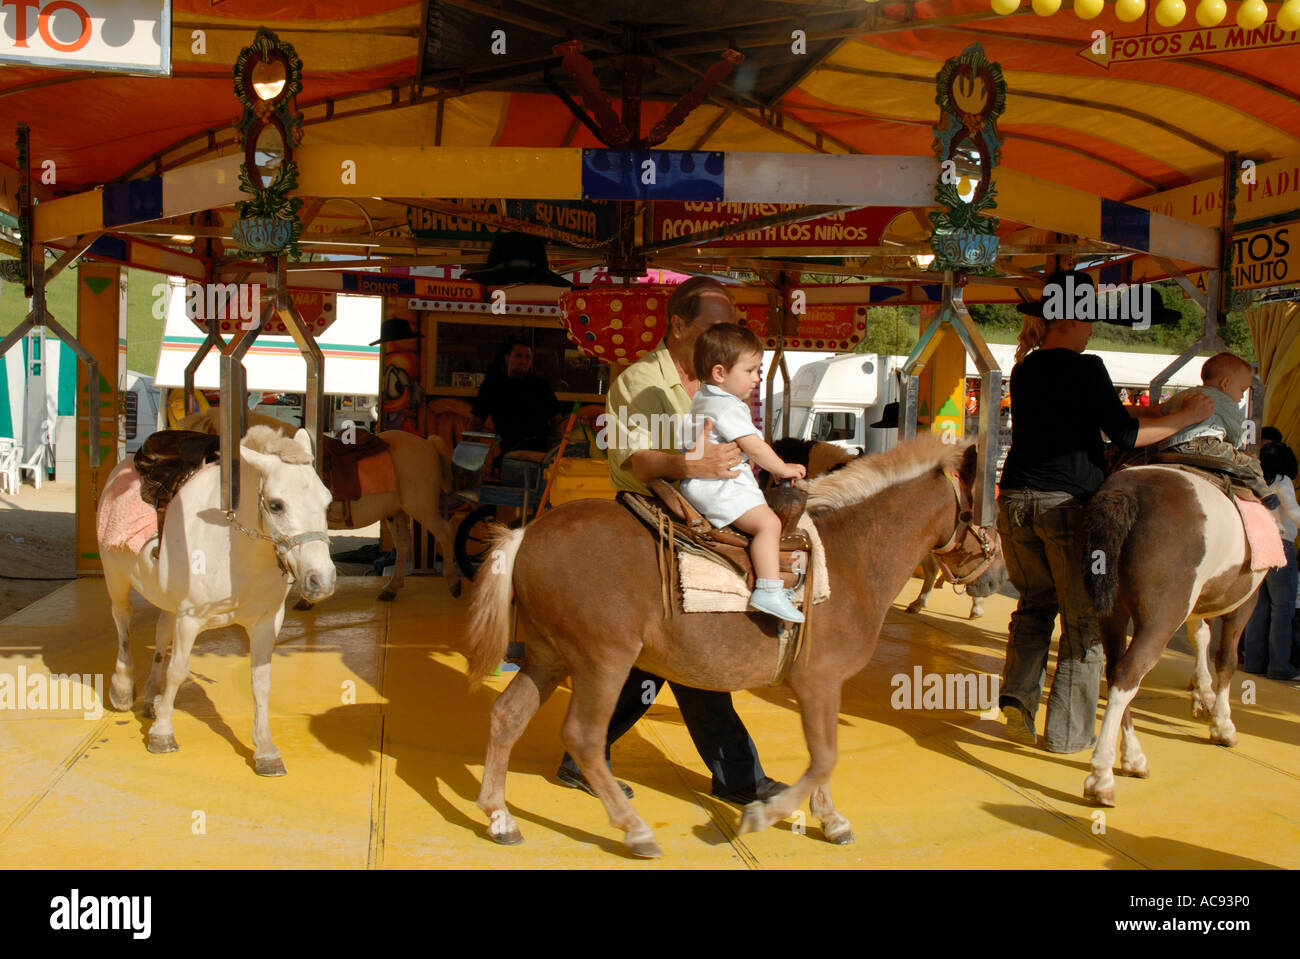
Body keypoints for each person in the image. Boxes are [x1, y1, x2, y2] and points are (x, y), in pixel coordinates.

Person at [556, 277, 785, 805]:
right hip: (651, 521)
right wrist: (692, 464)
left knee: (658, 653)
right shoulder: (640, 381)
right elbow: (635, 460)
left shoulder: (718, 382)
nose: (722, 335)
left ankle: (582, 752)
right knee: (689, 642)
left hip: (704, 521)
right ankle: (739, 779)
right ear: (678, 326)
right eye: (710, 327)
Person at [997, 270, 1215, 753]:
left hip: (1014, 501)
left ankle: (1017, 698)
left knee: (1034, 606)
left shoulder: (1026, 369)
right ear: (1072, 317)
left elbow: (1086, 416)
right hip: (1067, 506)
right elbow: (1126, 437)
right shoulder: (1087, 366)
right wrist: (1185, 417)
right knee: (1082, 625)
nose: (1091, 328)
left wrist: (1150, 413)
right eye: (1088, 318)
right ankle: (1068, 737)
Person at [679, 323, 807, 622]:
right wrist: (783, 468)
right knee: (768, 524)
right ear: (720, 373)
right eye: (749, 371)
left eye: (758, 370)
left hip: (702, 482)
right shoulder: (726, 406)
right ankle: (769, 589)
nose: (756, 377)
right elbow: (756, 447)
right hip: (719, 487)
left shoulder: (705, 397)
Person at [1155, 352, 1278, 508]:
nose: (1241, 396)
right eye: (1242, 390)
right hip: (1206, 446)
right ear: (1225, 384)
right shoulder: (1225, 401)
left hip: (1168, 447)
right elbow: (1236, 433)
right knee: (1248, 463)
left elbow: (1165, 412)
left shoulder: (1183, 394)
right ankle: (1265, 495)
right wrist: (1237, 446)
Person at [1241, 441, 1300, 681]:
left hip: (1259, 544)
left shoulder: (1256, 480)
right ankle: (1279, 666)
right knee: (1283, 609)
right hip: (1281, 546)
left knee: (1259, 607)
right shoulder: (1283, 481)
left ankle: (1254, 663)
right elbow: (1294, 512)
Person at [467, 338, 561, 455]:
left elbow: (557, 421)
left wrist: (559, 452)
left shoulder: (540, 385)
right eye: (518, 356)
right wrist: (468, 453)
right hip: (508, 454)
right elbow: (475, 424)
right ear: (507, 358)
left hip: (539, 454)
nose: (523, 361)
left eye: (528, 357)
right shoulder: (493, 385)